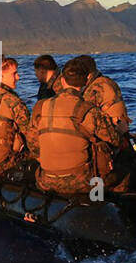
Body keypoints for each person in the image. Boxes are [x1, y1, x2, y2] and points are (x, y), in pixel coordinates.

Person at [26, 60, 121, 195]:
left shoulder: (40, 107)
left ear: (63, 81)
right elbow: (114, 140)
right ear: (86, 81)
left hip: (45, 180)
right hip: (82, 183)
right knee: (123, 173)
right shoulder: (89, 111)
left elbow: (32, 144)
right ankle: (108, 205)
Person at [61, 54, 130, 135]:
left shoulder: (97, 87)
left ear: (88, 75)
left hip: (113, 136)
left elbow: (83, 112)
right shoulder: (104, 82)